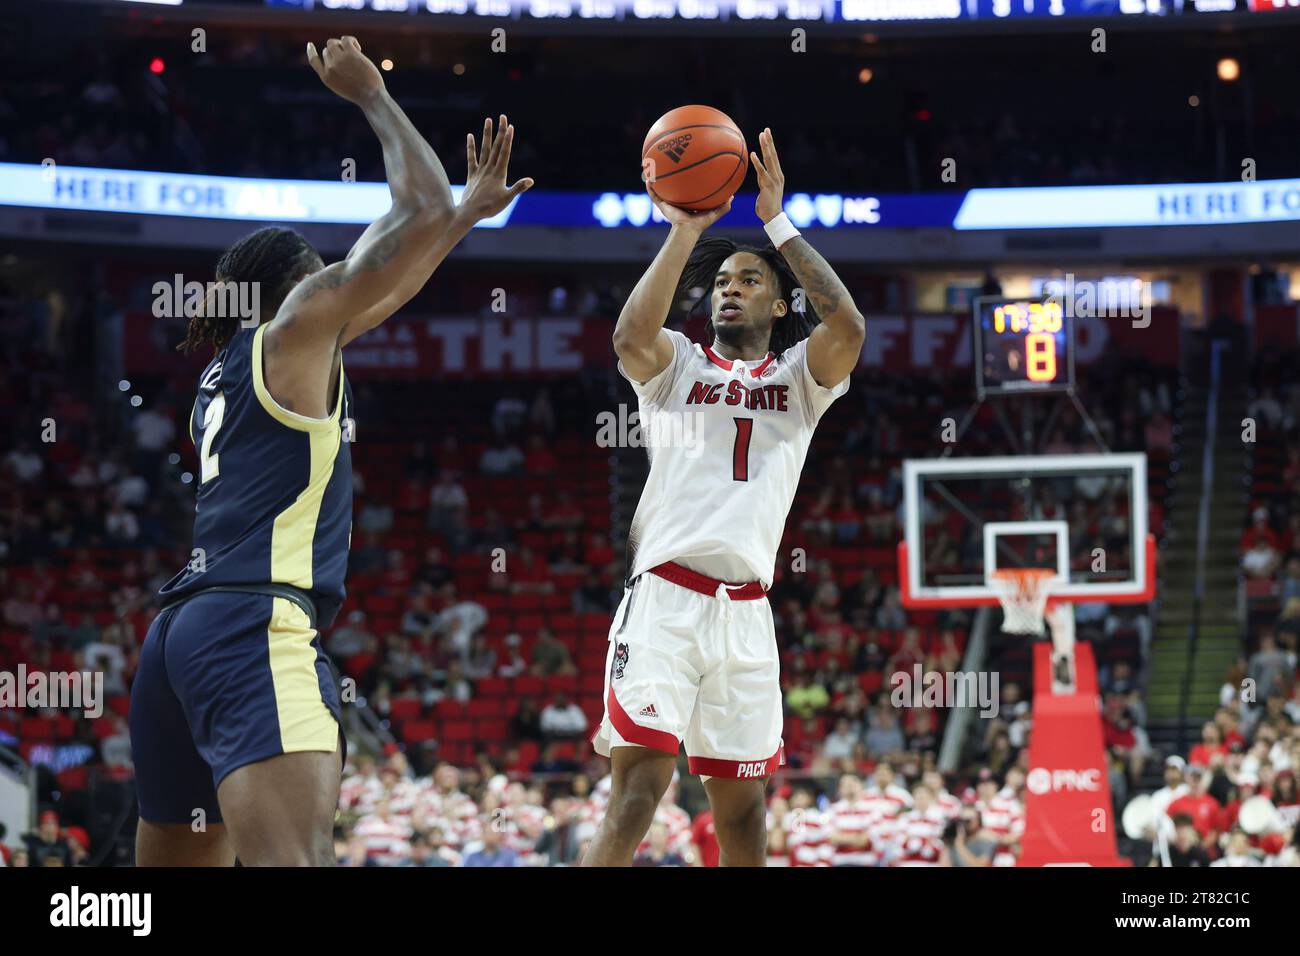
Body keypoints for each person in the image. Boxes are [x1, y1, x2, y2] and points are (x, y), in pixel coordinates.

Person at [128, 36, 531, 867]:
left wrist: (462, 220)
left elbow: (400, 270)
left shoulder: (236, 363)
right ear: (302, 280)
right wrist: (373, 95)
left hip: (176, 638)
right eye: (329, 272)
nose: (345, 277)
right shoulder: (299, 324)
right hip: (252, 626)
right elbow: (409, 218)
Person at [583, 130, 863, 868]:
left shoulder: (802, 380)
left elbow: (850, 327)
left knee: (743, 819)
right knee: (638, 798)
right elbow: (628, 334)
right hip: (667, 600)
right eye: (724, 281)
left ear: (778, 303)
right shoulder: (675, 363)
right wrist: (684, 229)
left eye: (749, 280)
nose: (730, 288)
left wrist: (779, 223)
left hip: (745, 613)